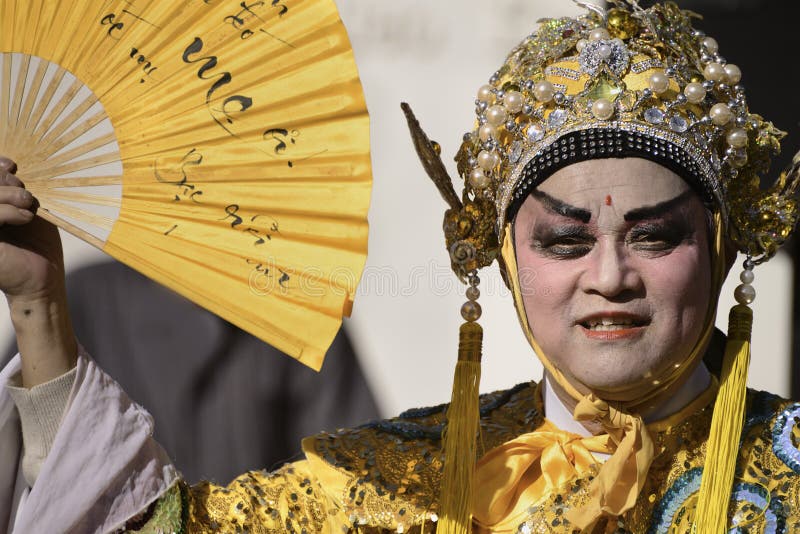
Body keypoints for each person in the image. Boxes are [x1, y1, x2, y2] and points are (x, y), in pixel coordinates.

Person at [2, 1, 800, 532]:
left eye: (655, 237)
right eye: (565, 240)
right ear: (505, 259)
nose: (611, 275)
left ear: (723, 248)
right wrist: (39, 304)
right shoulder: (396, 484)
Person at [1, 260, 380, 485]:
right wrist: (34, 307)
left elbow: (358, 477)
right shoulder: (75, 308)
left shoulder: (297, 307)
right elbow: (29, 483)